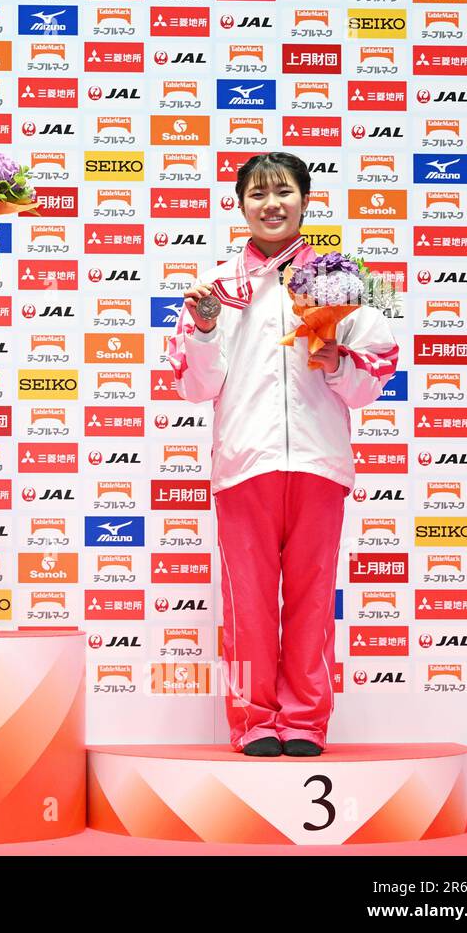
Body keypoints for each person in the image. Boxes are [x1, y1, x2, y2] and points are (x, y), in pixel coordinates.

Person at [168, 152, 398, 756]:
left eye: (285, 191)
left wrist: (338, 363)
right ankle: (254, 723)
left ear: (305, 199)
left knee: (313, 600)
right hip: (245, 464)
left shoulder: (342, 280)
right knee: (246, 604)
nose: (272, 204)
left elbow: (372, 379)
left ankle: (303, 723)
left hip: (320, 464)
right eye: (258, 194)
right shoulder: (215, 286)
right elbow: (197, 386)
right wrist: (208, 328)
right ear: (239, 204)